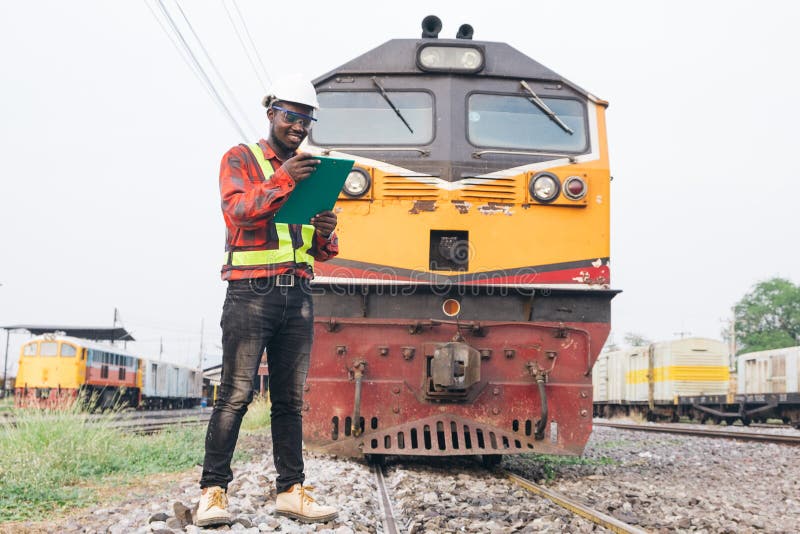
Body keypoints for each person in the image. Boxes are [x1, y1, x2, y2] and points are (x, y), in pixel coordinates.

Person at [196, 74, 339, 527]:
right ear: (272, 113)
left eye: (308, 120)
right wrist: (283, 179)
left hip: (298, 294)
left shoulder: (307, 168)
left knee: (290, 401)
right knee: (235, 395)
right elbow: (238, 211)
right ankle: (212, 492)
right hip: (250, 293)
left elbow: (318, 250)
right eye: (292, 116)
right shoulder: (241, 158)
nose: (300, 126)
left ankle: (291, 491)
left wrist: (326, 233)